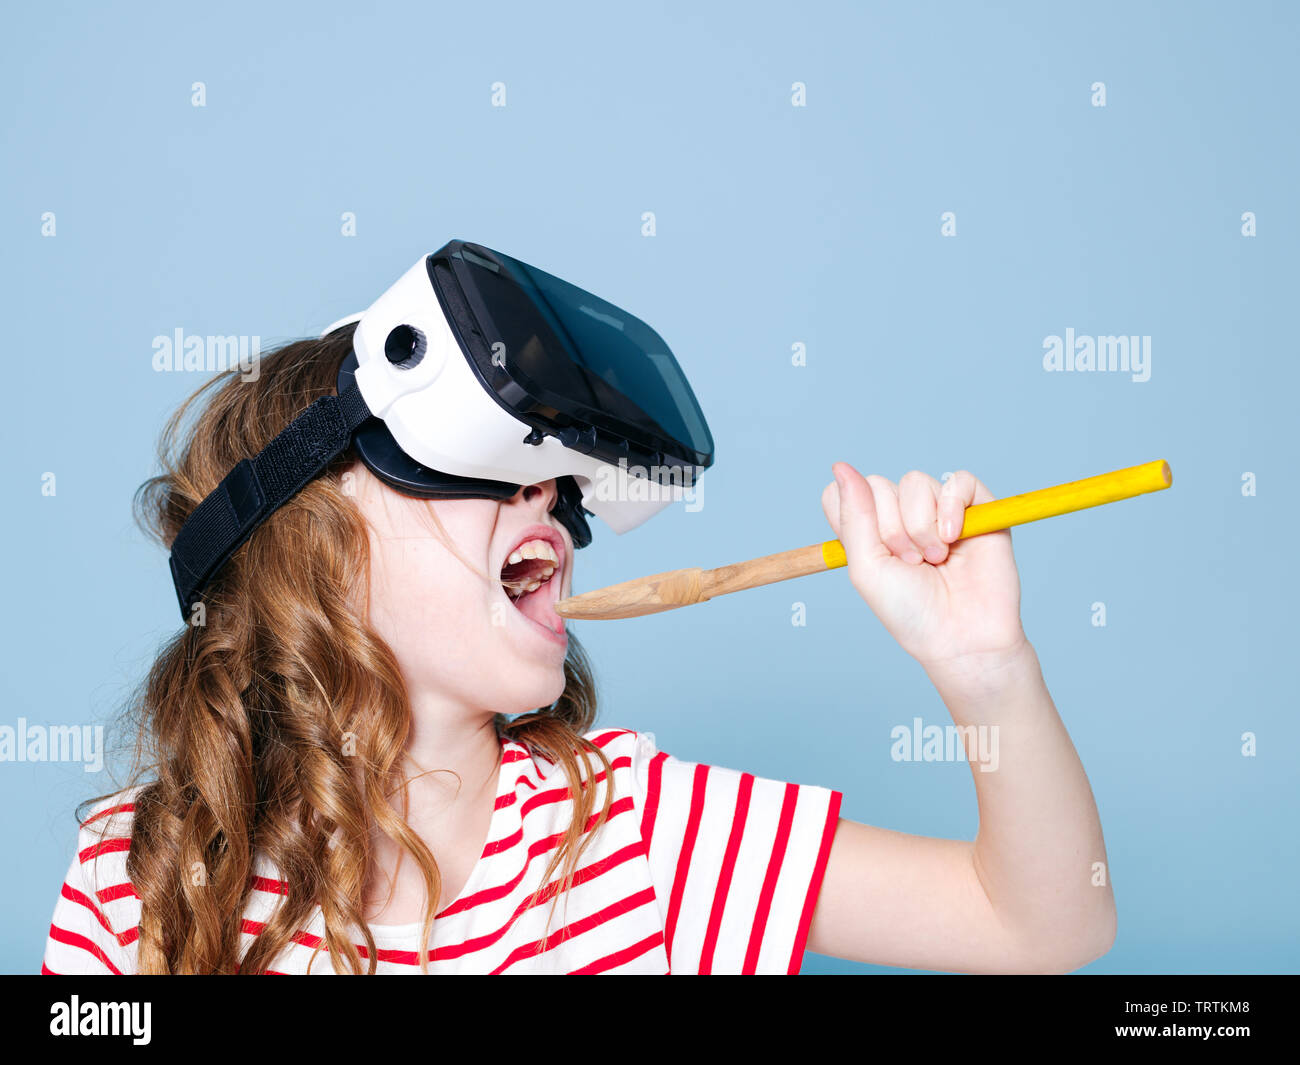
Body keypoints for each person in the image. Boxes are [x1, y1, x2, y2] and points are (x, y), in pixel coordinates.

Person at [42, 247, 1115, 975]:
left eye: (551, 480)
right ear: (304, 550)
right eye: (471, 465)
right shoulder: (138, 872)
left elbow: (1042, 925)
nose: (543, 494)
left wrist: (984, 670)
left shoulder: (635, 836)